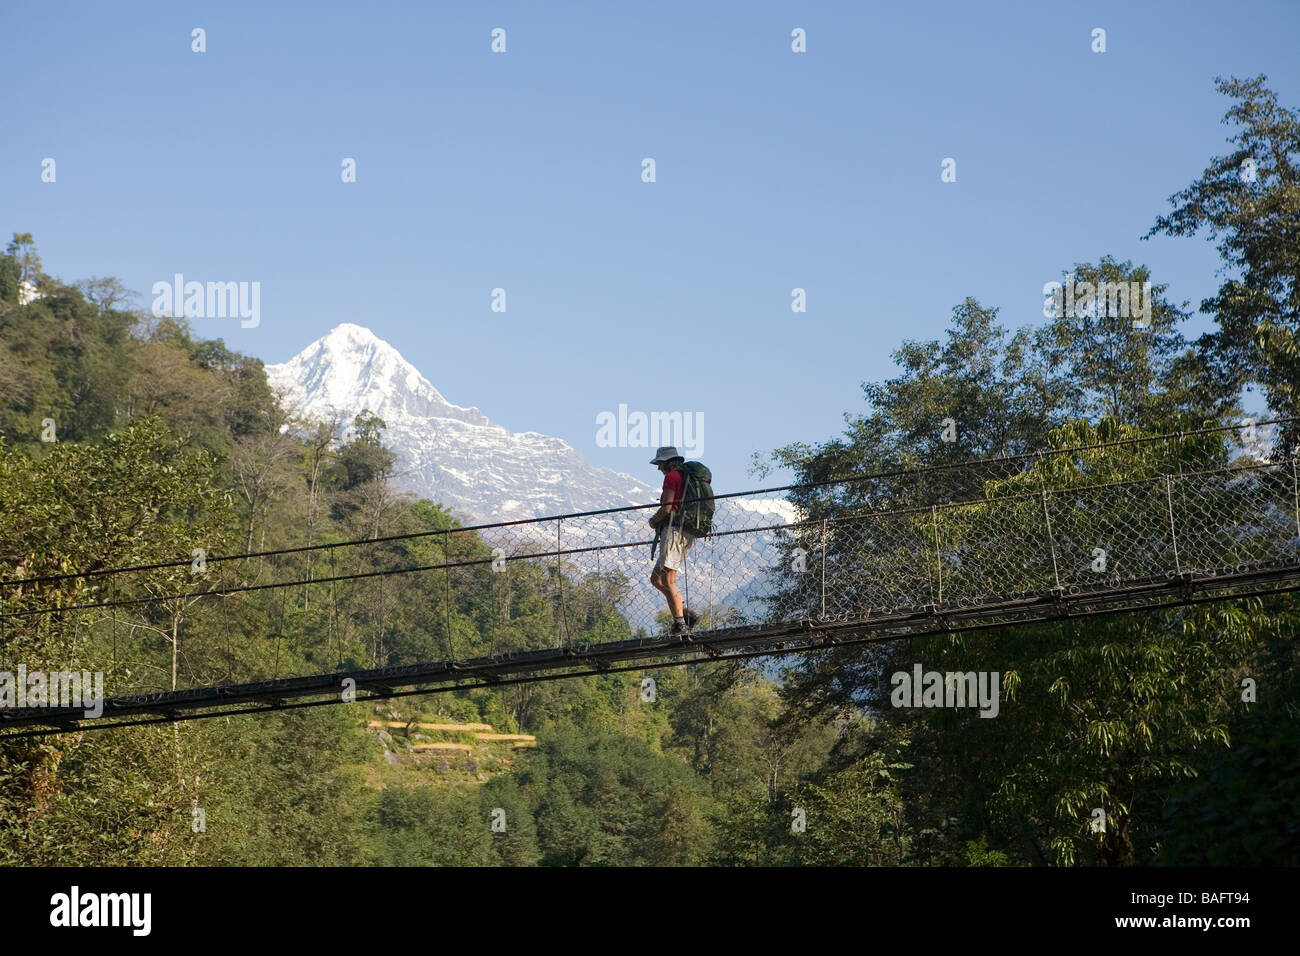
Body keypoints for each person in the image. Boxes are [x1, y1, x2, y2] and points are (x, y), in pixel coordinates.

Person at [648, 446, 699, 635]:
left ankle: (681, 624)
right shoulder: (685, 477)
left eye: (660, 463)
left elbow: (667, 507)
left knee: (667, 579)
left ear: (668, 462)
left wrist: (654, 520)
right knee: (656, 579)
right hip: (685, 531)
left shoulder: (672, 477)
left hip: (674, 531)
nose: (658, 467)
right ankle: (683, 613)